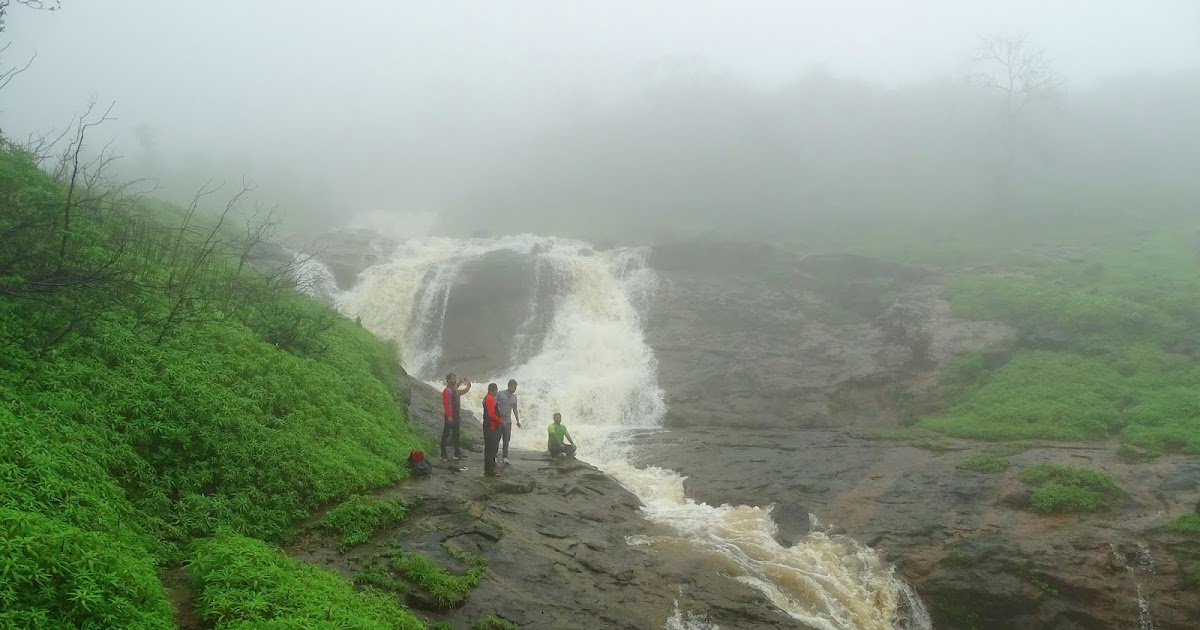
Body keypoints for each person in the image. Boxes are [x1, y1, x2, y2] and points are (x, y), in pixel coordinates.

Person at [440, 373, 471, 461]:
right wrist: (449, 416)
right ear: (448, 380)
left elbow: (465, 390)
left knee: (456, 434)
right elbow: (447, 404)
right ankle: (443, 454)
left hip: (456, 416)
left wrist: (468, 382)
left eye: (455, 379)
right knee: (446, 434)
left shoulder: (455, 390)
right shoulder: (447, 391)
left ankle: (457, 453)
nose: (454, 380)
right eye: (453, 379)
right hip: (450, 416)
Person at [494, 379, 521, 465]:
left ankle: (505, 457)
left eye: (515, 388)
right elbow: (493, 404)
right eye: (514, 387)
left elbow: (515, 409)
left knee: (506, 439)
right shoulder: (500, 394)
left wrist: (517, 420)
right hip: (499, 420)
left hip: (508, 421)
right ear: (509, 386)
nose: (515, 389)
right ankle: (494, 456)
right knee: (497, 439)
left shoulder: (514, 397)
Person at [482, 382, 505, 477]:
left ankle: (488, 470)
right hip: (491, 427)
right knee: (491, 450)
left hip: (488, 426)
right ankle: (489, 471)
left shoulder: (486, 398)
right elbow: (491, 415)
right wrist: (501, 421)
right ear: (495, 390)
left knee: (489, 450)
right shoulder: (490, 398)